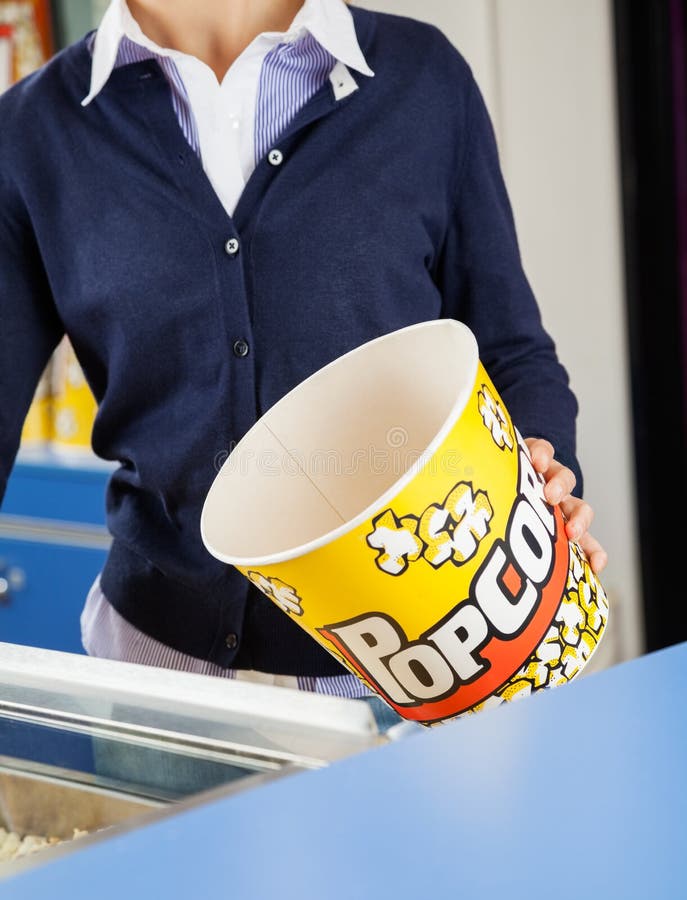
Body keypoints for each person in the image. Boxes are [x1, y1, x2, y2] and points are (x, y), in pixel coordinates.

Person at [0, 0, 606, 734]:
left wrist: (544, 475)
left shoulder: (421, 78)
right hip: (159, 682)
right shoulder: (34, 132)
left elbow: (510, 349)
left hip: (424, 670)